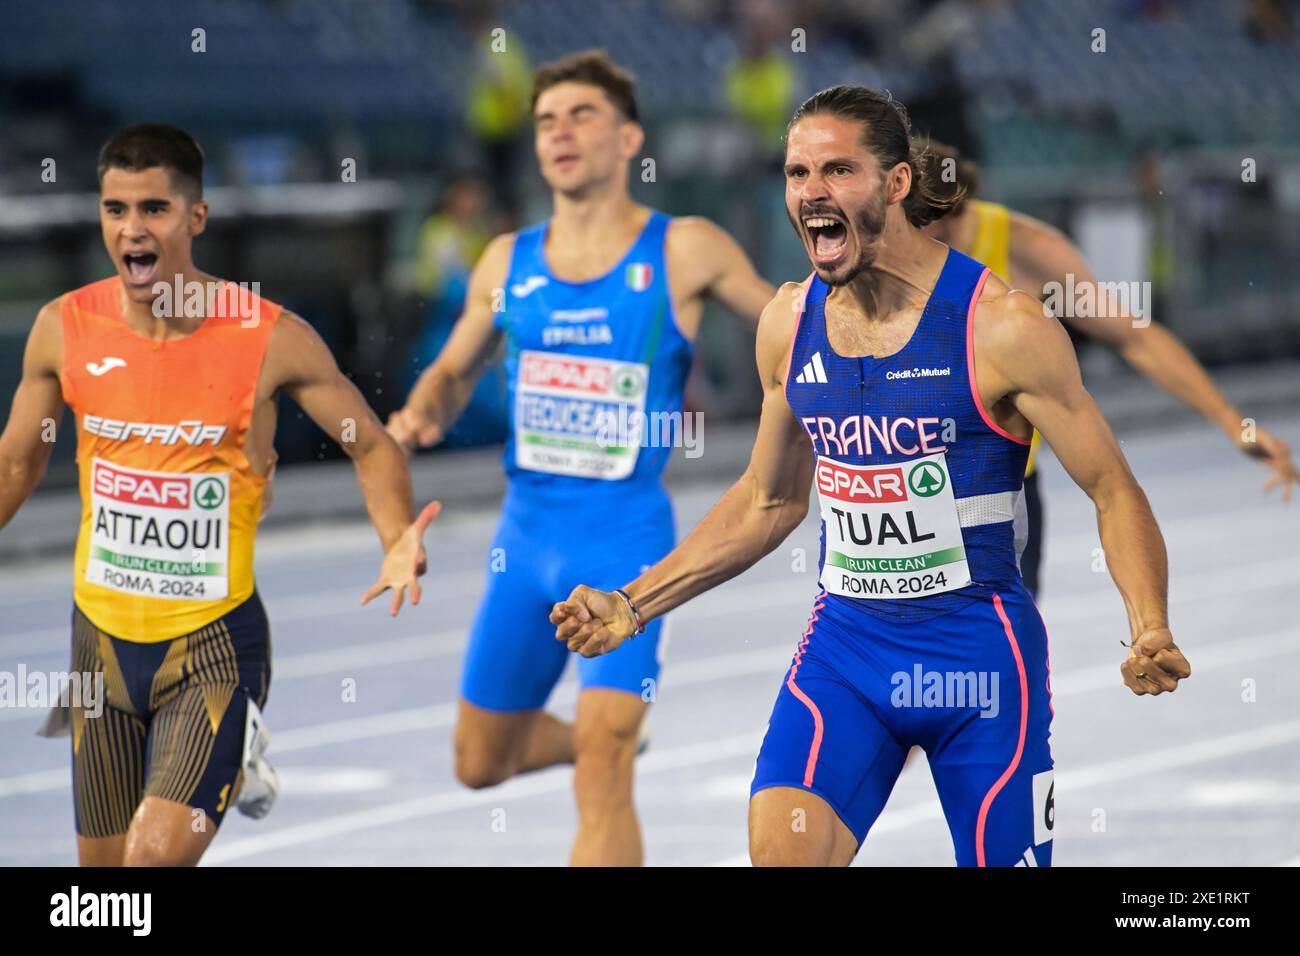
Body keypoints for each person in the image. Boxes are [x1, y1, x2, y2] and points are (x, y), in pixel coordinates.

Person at [551, 86, 1192, 867]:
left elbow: (1113, 488)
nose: (811, 193)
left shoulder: (1005, 328)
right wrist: (632, 602)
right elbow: (770, 500)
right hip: (847, 656)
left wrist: (1149, 623)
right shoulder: (788, 325)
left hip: (979, 672)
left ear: (895, 183)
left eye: (837, 171)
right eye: (795, 174)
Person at [0, 123, 435, 866]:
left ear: (195, 218)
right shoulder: (60, 331)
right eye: (114, 210)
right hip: (98, 649)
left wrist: (397, 537)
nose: (132, 230)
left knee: (148, 865)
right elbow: (16, 467)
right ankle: (240, 754)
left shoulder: (271, 338)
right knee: (104, 897)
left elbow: (370, 445)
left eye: (154, 209)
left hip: (212, 648)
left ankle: (232, 737)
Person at [387, 51, 775, 866]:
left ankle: (613, 738)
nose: (560, 133)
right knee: (478, 763)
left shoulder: (687, 249)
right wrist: (422, 411)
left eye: (581, 115)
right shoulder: (506, 262)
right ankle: (614, 735)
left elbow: (791, 329)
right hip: (523, 541)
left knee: (602, 774)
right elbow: (455, 368)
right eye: (545, 122)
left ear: (629, 135)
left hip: (627, 538)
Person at [923, 142, 1298, 594]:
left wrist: (1233, 422)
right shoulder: (882, 254)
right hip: (895, 484)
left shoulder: (1025, 246)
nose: (920, 238)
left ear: (952, 208)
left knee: (996, 649)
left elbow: (1133, 335)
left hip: (999, 494)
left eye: (932, 221)